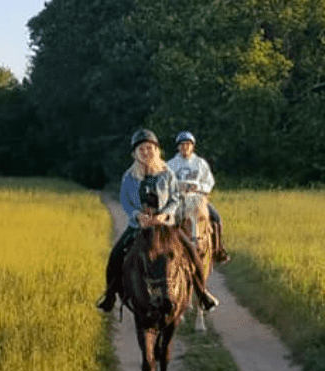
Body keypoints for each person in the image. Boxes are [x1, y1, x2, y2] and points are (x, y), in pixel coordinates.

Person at [96, 128, 220, 313]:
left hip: (165, 226)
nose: (145, 152)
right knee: (115, 255)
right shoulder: (129, 177)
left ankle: (203, 293)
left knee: (191, 251)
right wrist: (137, 215)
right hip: (140, 225)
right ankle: (110, 296)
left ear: (156, 149)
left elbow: (175, 198)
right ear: (135, 153)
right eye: (141, 149)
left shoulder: (167, 173)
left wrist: (165, 215)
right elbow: (126, 201)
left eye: (149, 148)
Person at [166, 131, 230, 263]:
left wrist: (199, 188)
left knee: (216, 218)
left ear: (193, 146)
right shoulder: (170, 165)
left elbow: (209, 182)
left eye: (188, 144)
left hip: (197, 198)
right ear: (178, 147)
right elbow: (165, 183)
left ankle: (218, 249)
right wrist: (178, 187)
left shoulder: (200, 163)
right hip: (177, 199)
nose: (185, 147)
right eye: (182, 145)